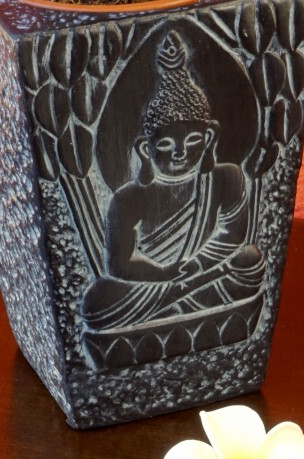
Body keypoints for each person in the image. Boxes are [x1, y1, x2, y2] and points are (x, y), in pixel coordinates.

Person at [82, 30, 265, 340]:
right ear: (144, 149)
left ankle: (179, 314)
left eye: (193, 140)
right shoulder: (127, 199)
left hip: (205, 275)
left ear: (209, 138)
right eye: (165, 145)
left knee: (249, 260)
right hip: (153, 287)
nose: (181, 152)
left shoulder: (227, 177)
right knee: (96, 302)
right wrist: (162, 275)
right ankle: (191, 313)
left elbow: (232, 236)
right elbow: (118, 265)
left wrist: (197, 267)